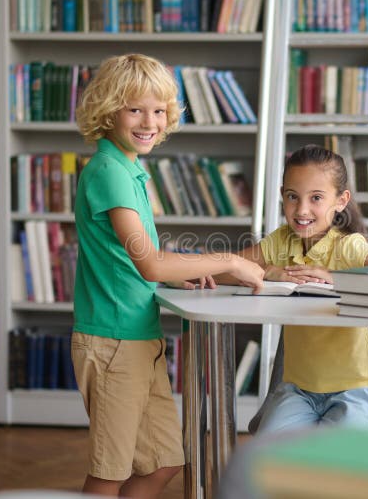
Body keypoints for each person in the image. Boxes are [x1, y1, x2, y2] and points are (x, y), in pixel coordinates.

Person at [71, 53, 264, 497]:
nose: (149, 122)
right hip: (113, 342)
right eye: (135, 109)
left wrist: (172, 277)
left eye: (158, 111)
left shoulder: (130, 169)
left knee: (163, 462)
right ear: (108, 110)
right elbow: (151, 262)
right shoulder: (110, 172)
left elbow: (141, 260)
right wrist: (231, 261)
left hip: (138, 337)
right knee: (109, 472)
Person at [216, 144, 368, 433]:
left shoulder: (347, 247)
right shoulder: (281, 242)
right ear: (282, 195)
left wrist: (337, 278)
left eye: (316, 198)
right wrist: (269, 272)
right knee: (269, 462)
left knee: (340, 465)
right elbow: (223, 268)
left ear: (341, 201)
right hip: (298, 391)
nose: (302, 210)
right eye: (293, 197)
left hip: (354, 391)